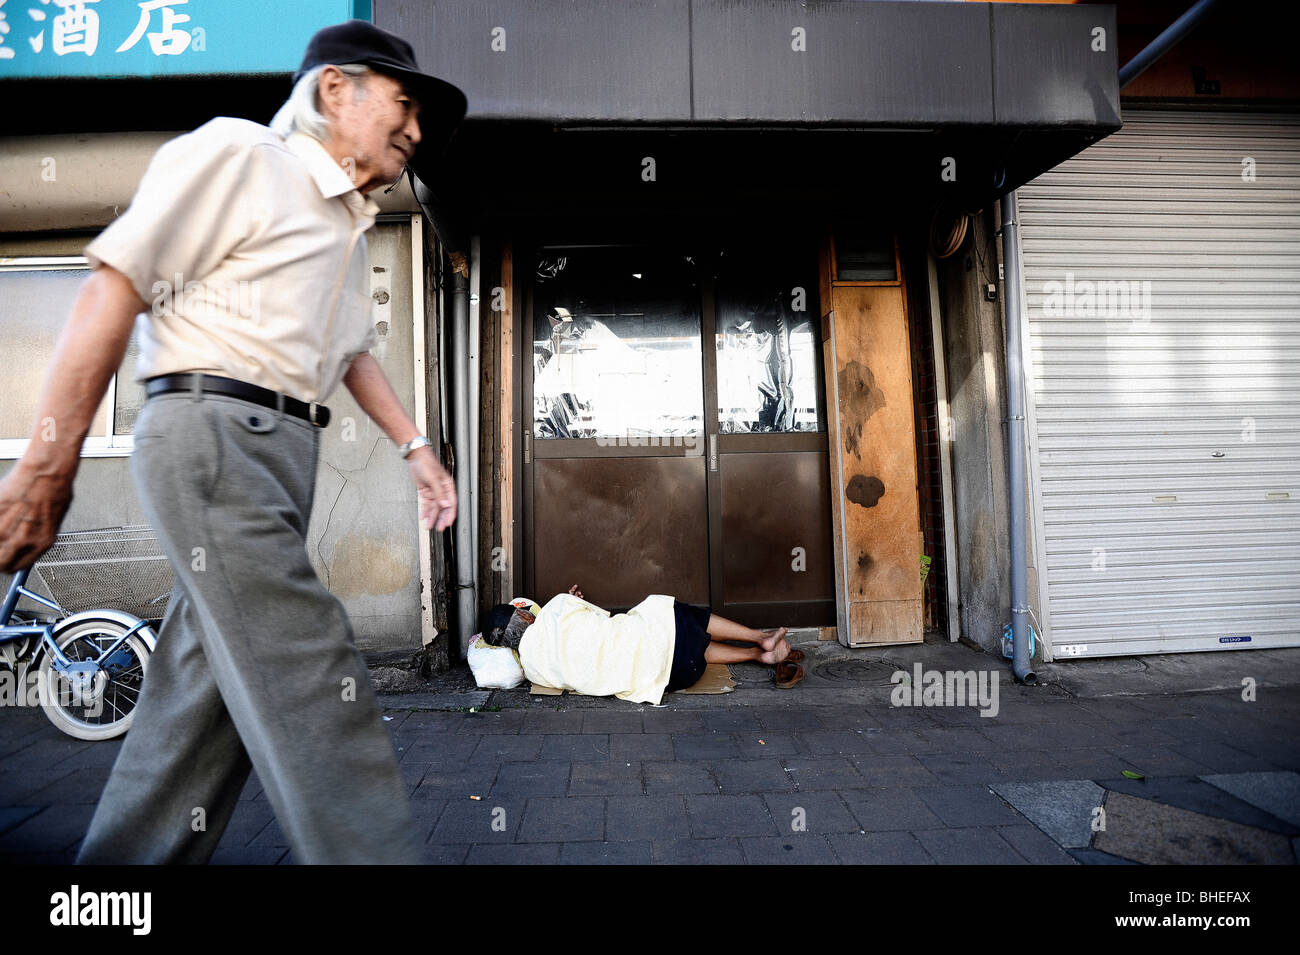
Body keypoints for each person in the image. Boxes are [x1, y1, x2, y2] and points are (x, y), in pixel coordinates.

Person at [0, 21, 466, 864]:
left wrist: (417, 451)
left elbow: (355, 355)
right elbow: (117, 284)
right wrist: (46, 463)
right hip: (214, 437)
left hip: (282, 456)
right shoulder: (243, 157)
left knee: (196, 708)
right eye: (404, 104)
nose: (416, 128)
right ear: (336, 90)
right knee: (316, 677)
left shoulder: (346, 229)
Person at [481, 586, 803, 706]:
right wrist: (570, 600)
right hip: (660, 641)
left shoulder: (534, 670)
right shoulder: (553, 608)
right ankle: (759, 638)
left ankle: (756, 656)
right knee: (671, 613)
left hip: (670, 677)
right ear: (523, 613)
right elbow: (601, 615)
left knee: (684, 649)